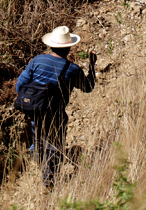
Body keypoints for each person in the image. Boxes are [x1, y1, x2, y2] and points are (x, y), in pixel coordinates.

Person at [15, 26, 97, 187]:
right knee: (54, 146)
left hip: (35, 110)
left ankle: (37, 156)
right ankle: (49, 183)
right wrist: (92, 66)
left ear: (51, 45)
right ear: (68, 47)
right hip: (56, 114)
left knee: (38, 136)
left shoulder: (37, 60)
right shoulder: (72, 69)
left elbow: (19, 85)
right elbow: (88, 88)